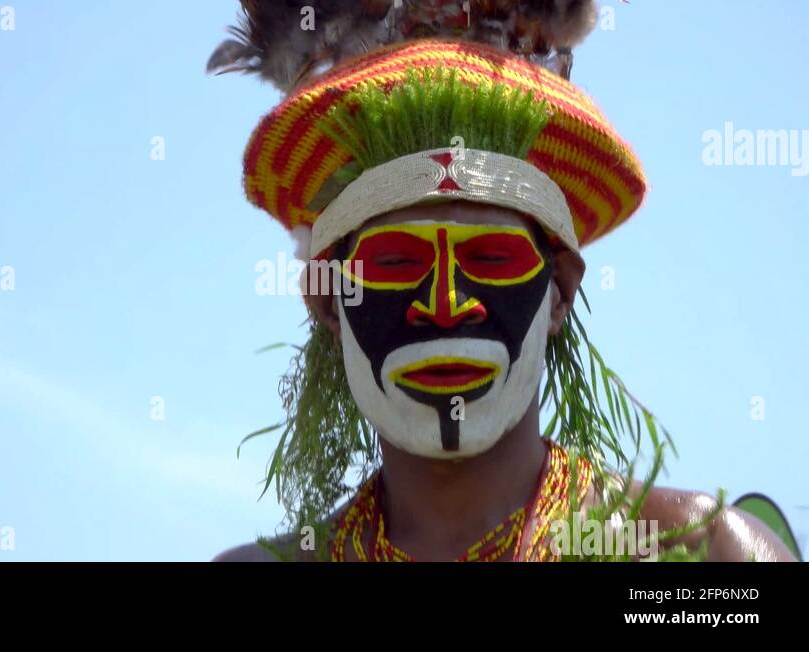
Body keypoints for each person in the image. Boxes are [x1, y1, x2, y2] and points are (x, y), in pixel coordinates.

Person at [207, 0, 796, 562]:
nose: (444, 305)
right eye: (395, 264)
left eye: (490, 259)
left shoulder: (699, 553)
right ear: (328, 300)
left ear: (560, 290)